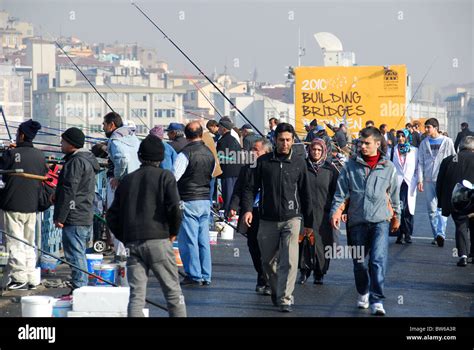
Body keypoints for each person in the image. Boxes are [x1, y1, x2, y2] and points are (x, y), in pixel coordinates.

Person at [106, 135, 186, 317]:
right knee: (173, 293)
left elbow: (111, 215)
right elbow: (175, 208)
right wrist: (173, 232)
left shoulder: (127, 180)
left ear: (140, 156)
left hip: (133, 243)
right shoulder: (166, 176)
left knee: (136, 296)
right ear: (161, 157)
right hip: (159, 240)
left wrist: (125, 237)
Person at [241, 123, 313, 313]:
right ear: (274, 140)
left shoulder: (299, 162)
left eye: (288, 140)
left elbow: (306, 194)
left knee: (289, 260)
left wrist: (310, 224)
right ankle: (276, 291)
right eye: (281, 140)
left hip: (292, 218)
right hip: (267, 219)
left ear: (293, 141)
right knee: (267, 262)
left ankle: (285, 298)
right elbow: (250, 188)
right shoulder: (263, 162)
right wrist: (247, 210)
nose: (285, 143)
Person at [330, 127, 400, 316]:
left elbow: (394, 195)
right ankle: (363, 292)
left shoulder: (388, 167)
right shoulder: (350, 166)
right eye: (360, 142)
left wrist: (397, 217)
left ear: (377, 144)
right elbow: (341, 193)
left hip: (380, 221)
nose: (362, 146)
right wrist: (335, 213)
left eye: (366, 143)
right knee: (360, 262)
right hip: (357, 221)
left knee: (377, 260)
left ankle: (377, 299)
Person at [0, 120, 47, 290]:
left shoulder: (12, 154)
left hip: (12, 204)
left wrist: (8, 151)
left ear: (21, 134)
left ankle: (19, 278)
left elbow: (3, 174)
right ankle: (32, 277)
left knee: (14, 242)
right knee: (28, 242)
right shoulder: (40, 155)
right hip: (32, 205)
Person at [53, 128, 100, 290]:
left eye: (63, 141)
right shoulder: (86, 160)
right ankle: (80, 285)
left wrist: (60, 216)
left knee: (75, 254)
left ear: (71, 144)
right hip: (84, 213)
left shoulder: (76, 162)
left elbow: (69, 190)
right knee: (78, 252)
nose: (61, 143)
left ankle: (80, 287)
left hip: (75, 215)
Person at [229, 138, 273, 295]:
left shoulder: (271, 168)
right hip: (250, 212)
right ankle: (261, 274)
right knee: (253, 246)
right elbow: (238, 189)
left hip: (268, 213)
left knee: (268, 248)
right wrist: (233, 207)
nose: (252, 152)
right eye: (252, 149)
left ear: (266, 153)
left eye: (256, 150)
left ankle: (268, 280)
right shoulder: (247, 168)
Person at [174, 121, 215, 286]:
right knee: (203, 239)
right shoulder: (209, 153)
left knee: (189, 239)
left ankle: (193, 274)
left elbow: (174, 176)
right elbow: (212, 174)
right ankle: (206, 274)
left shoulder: (185, 154)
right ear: (201, 134)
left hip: (189, 199)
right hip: (205, 200)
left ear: (186, 135)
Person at [299, 138, 339, 285]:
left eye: (319, 150)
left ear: (323, 151)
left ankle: (320, 272)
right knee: (304, 241)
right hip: (305, 212)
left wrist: (339, 210)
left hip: (324, 212)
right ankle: (303, 270)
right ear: (309, 150)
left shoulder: (330, 169)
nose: (315, 152)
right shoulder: (302, 166)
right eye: (313, 149)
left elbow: (338, 192)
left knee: (322, 243)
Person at [102, 112, 140, 257]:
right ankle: (129, 251)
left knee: (115, 217)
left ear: (112, 125)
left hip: (118, 185)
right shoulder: (132, 137)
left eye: (104, 124)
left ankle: (120, 254)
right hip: (134, 182)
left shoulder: (115, 140)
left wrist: (118, 177)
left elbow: (122, 159)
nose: (103, 128)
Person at [417, 118, 456, 247]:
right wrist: (420, 179)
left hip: (443, 179)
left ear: (435, 127)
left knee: (442, 207)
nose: (426, 129)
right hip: (428, 179)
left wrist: (452, 178)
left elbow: (453, 159)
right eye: (426, 127)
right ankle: (436, 235)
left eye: (428, 127)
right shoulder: (424, 143)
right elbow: (420, 162)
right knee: (431, 209)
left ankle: (441, 233)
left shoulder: (447, 141)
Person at [436, 136, 474, 267]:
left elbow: (439, 183)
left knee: (461, 226)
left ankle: (463, 255)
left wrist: (441, 203)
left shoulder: (448, 160)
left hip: (456, 200)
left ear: (461, 146)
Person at [389, 129, 418, 244]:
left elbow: (417, 167)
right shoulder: (392, 151)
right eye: (398, 136)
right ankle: (399, 233)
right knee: (398, 208)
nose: (400, 138)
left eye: (402, 136)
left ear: (407, 137)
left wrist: (417, 180)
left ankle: (408, 234)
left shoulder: (415, 151)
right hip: (397, 184)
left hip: (409, 183)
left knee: (408, 210)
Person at [216, 118, 243, 215]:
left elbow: (221, 157)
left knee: (228, 196)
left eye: (219, 127)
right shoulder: (234, 139)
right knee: (235, 195)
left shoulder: (223, 141)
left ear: (224, 129)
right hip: (238, 171)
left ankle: (228, 215)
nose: (217, 129)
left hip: (228, 172)